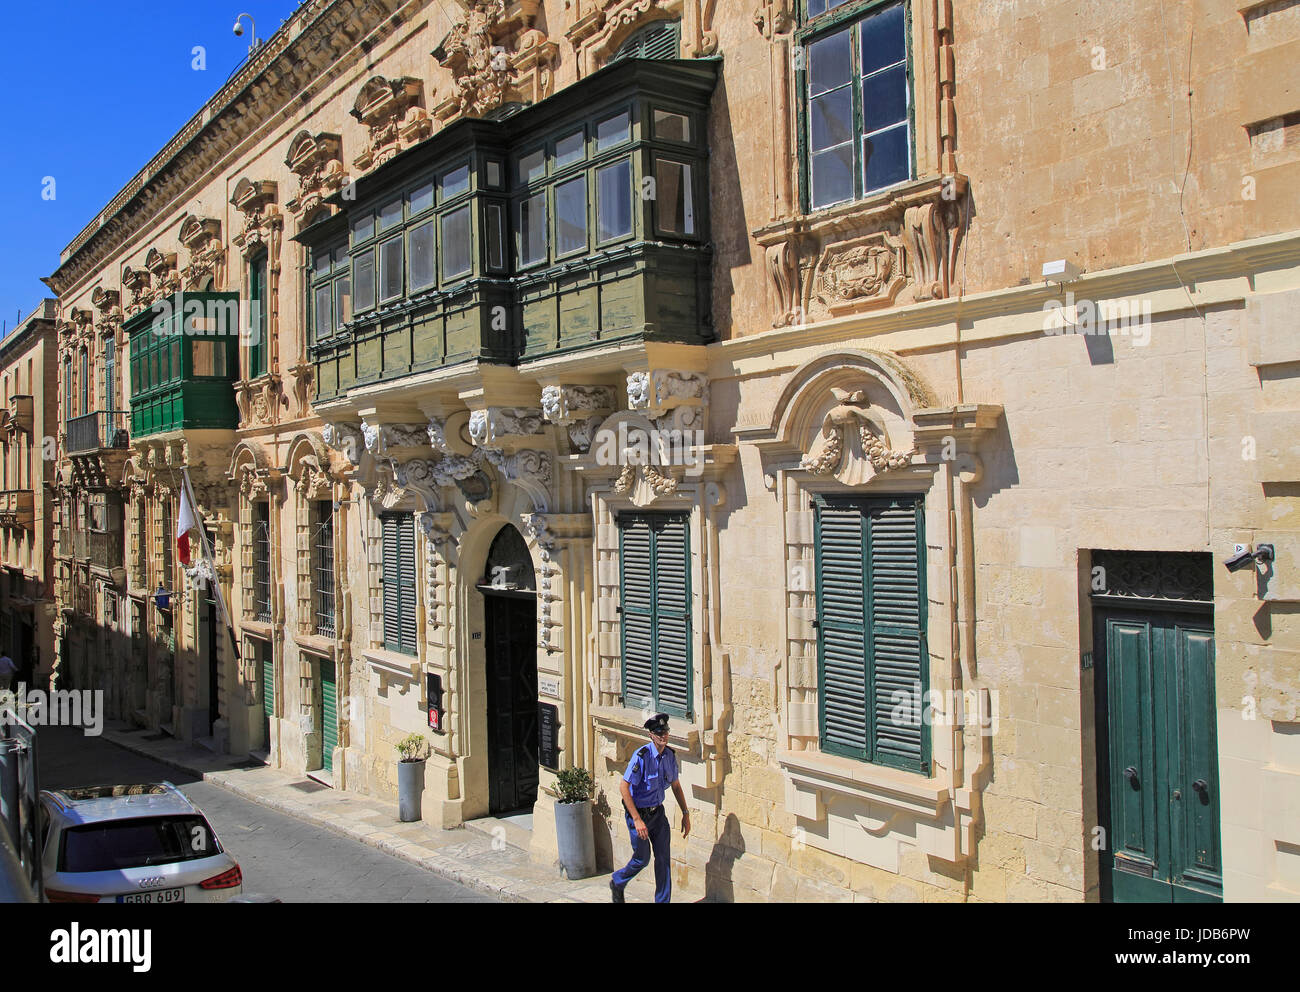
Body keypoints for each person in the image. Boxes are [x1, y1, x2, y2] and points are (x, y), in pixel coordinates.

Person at [610, 713, 690, 903]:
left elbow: (676, 786)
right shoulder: (642, 757)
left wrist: (685, 813)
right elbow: (624, 787)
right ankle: (618, 881)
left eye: (665, 732)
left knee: (663, 860)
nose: (663, 736)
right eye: (659, 733)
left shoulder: (670, 756)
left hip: (658, 815)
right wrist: (637, 820)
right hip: (639, 815)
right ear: (651, 735)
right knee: (642, 859)